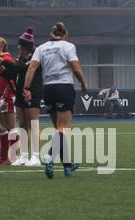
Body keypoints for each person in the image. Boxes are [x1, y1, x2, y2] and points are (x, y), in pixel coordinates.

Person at [23, 22, 88, 179]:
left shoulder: (41, 48)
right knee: (63, 128)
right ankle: (50, 157)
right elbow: (75, 68)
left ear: (51, 34)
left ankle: (67, 166)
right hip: (64, 87)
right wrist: (83, 82)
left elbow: (31, 68)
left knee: (58, 129)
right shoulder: (68, 46)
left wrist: (26, 88)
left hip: (49, 89)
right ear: (64, 34)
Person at [0, 28, 42, 166]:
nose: (18, 47)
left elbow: (21, 69)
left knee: (33, 124)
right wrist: (4, 72)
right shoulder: (20, 59)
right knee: (23, 125)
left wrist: (3, 61)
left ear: (26, 47)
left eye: (20, 45)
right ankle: (24, 155)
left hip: (32, 93)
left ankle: (35, 155)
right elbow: (15, 75)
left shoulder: (34, 58)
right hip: (19, 94)